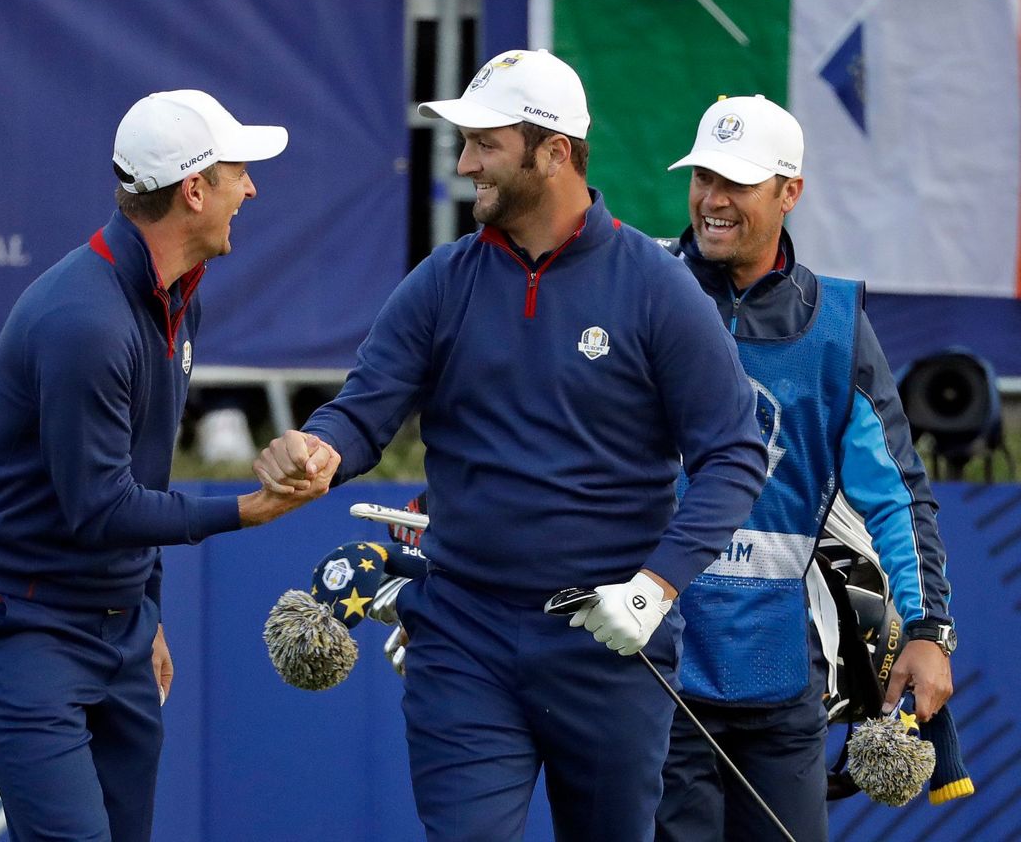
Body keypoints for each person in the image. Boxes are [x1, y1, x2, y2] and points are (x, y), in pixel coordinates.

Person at [254, 49, 768, 842]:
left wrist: (655, 587)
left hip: (607, 642)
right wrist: (318, 448)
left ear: (554, 151)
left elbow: (734, 452)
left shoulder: (656, 285)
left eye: (485, 144)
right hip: (463, 634)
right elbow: (362, 413)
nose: (464, 164)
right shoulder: (441, 280)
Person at [0, 90, 335, 842]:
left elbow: (135, 473)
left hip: (111, 623)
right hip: (19, 626)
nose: (251, 189)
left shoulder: (175, 295)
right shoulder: (85, 319)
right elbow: (102, 508)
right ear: (193, 191)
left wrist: (142, 605)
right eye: (237, 172)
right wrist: (248, 509)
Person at [653, 94, 955, 842]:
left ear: (790, 192)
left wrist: (928, 629)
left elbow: (895, 497)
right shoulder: (640, 285)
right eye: (703, 178)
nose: (713, 201)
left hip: (779, 682)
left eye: (739, 183)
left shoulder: (838, 324)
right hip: (649, 669)